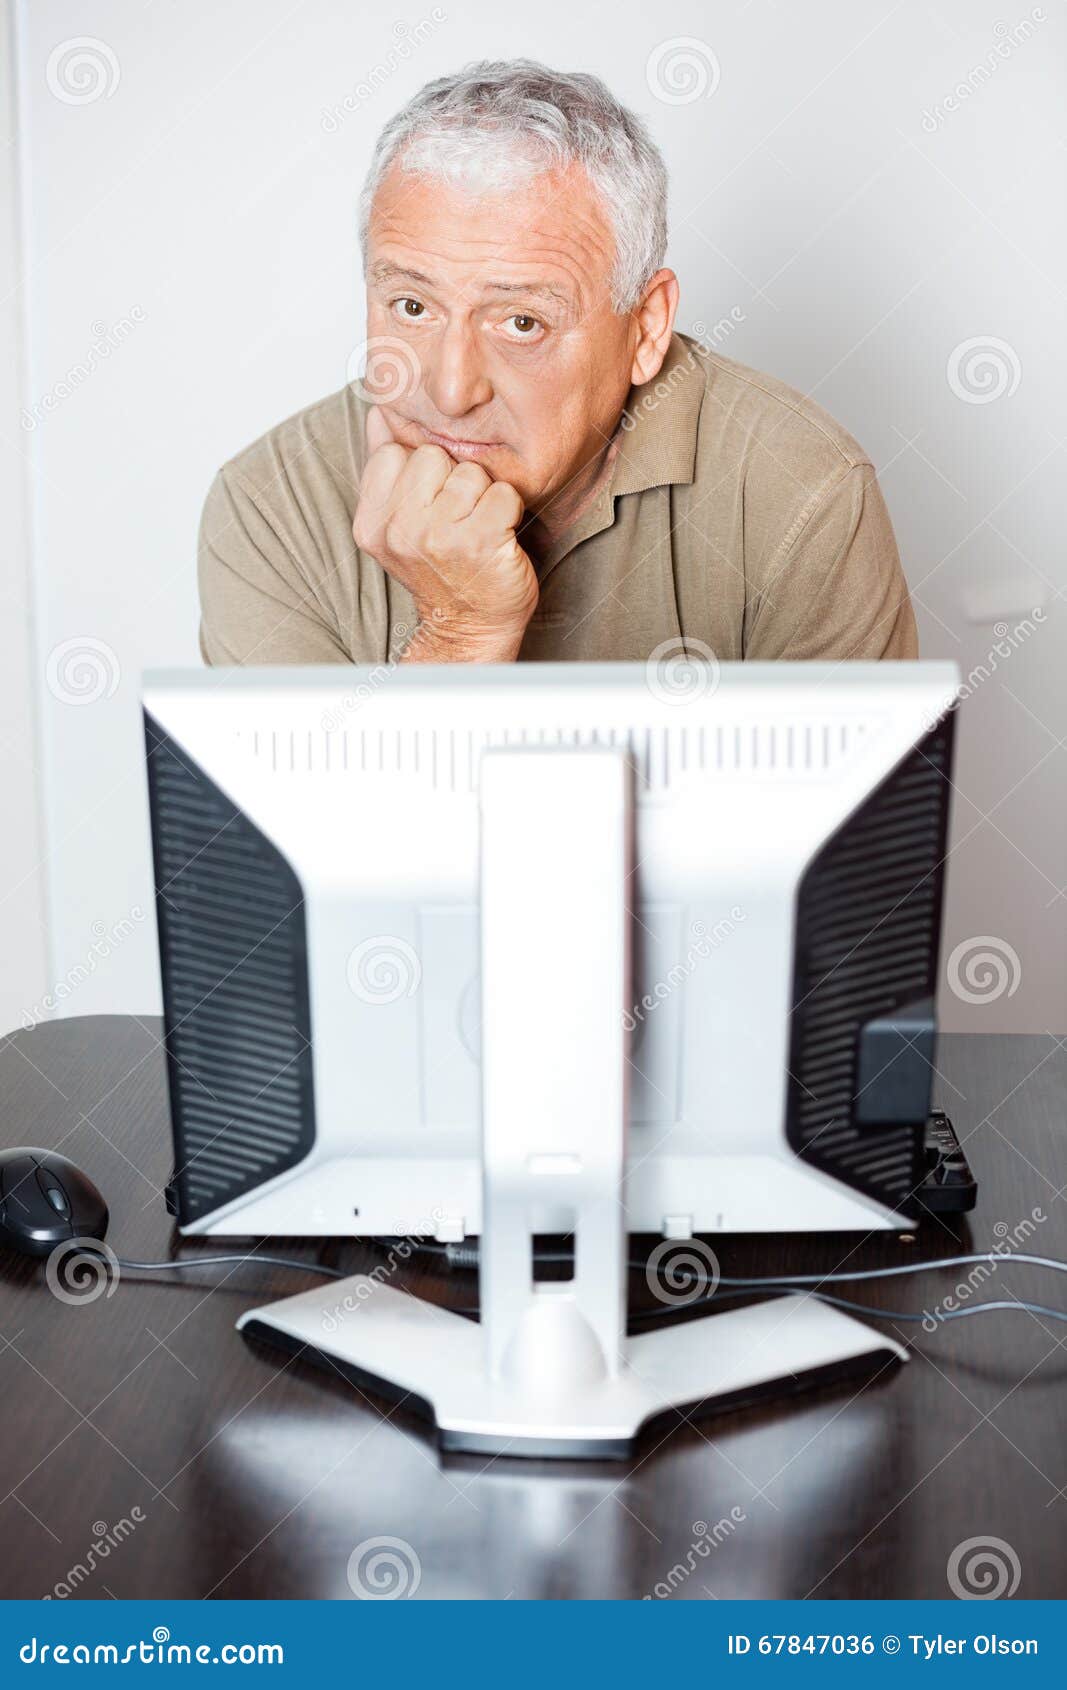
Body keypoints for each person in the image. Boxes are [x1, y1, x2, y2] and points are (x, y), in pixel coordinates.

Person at [199, 60, 917, 668]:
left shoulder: (800, 491)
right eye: (412, 307)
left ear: (645, 327)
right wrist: (461, 632)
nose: (450, 392)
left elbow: (855, 834)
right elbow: (318, 838)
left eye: (521, 322)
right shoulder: (269, 505)